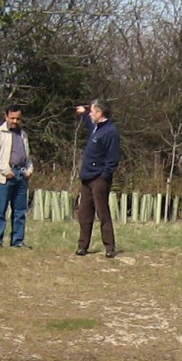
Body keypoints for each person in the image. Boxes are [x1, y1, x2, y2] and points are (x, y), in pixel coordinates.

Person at [73, 99, 120, 258]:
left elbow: (113, 158)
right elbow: (89, 122)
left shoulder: (110, 132)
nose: (90, 113)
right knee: (84, 213)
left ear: (100, 113)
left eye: (92, 111)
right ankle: (82, 246)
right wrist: (83, 113)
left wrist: (104, 175)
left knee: (102, 212)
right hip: (86, 177)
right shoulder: (96, 128)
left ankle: (109, 247)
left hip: (99, 178)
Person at [0, 104, 33, 247]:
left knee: (20, 211)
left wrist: (29, 169)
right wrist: (6, 171)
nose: (15, 121)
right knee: (1, 209)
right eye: (12, 118)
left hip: (21, 174)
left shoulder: (23, 135)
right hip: (5, 176)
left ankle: (17, 241)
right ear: (6, 117)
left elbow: (27, 155)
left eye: (18, 119)